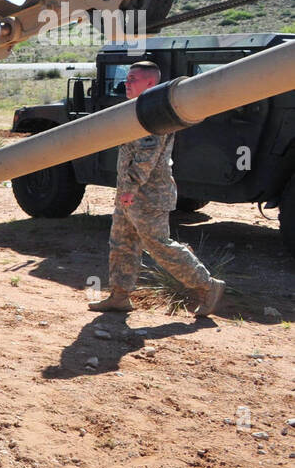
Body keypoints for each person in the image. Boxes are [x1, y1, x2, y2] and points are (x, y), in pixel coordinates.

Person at [88, 60, 225, 317]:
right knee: (122, 243)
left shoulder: (154, 113)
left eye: (133, 79)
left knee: (159, 245)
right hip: (130, 193)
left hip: (148, 195)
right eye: (127, 78)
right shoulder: (137, 108)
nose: (126, 83)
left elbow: (146, 156)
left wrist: (129, 188)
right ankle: (120, 296)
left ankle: (208, 286)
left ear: (150, 83)